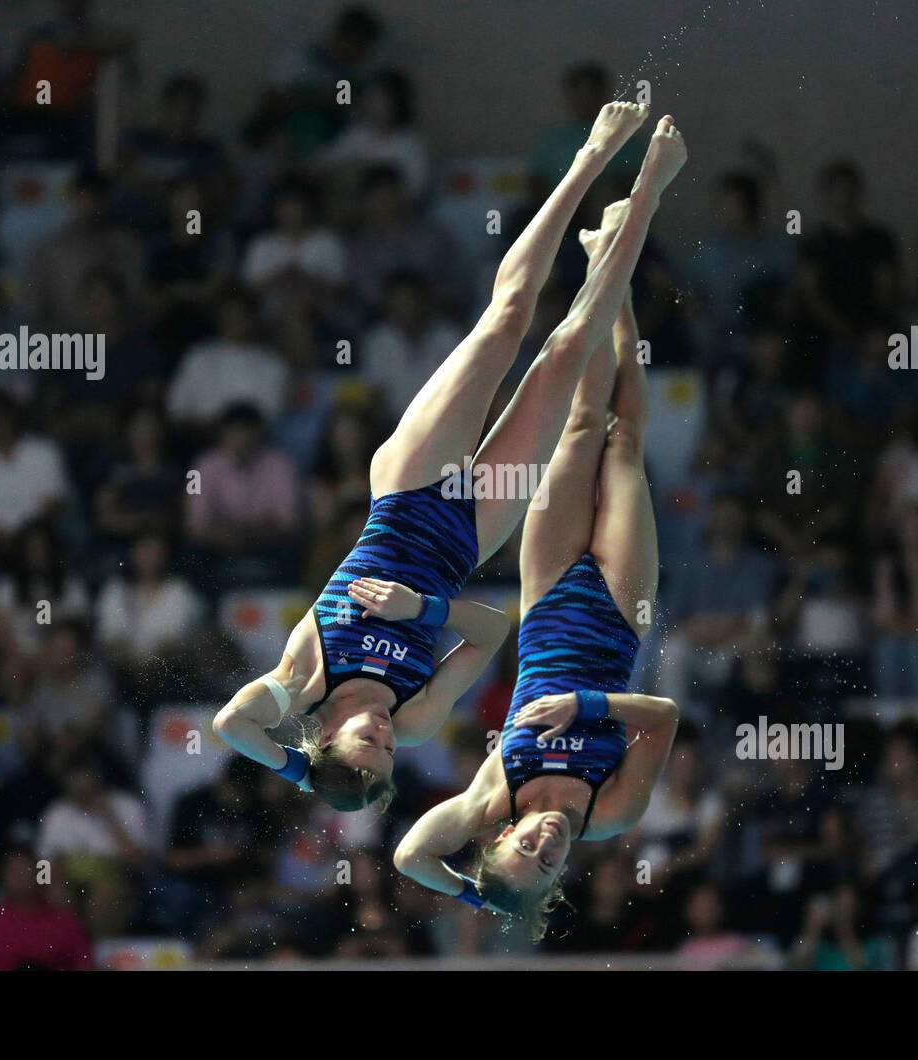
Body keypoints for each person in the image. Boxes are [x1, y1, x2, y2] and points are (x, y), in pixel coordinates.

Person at [214, 107, 685, 815]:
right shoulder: (416, 715)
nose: (381, 735)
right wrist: (421, 608)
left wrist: (310, 776)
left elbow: (230, 725)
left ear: (326, 742)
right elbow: (494, 629)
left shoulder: (300, 678)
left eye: (362, 746)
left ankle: (589, 157)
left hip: (405, 495)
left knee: (505, 321)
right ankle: (646, 193)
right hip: (469, 537)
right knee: (565, 355)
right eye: (387, 752)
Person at [392, 264, 678, 941]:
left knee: (582, 428)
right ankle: (624, 298)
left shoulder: (493, 797)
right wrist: (589, 706)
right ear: (560, 875)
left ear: (501, 839)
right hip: (617, 608)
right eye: (550, 863)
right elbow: (663, 718)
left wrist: (476, 899)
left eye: (526, 849)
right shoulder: (609, 814)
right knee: (625, 447)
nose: (545, 843)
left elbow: (409, 856)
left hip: (546, 597)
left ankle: (607, 278)